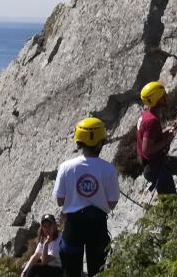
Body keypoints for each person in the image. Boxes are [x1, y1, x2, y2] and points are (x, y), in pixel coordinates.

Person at [54, 117, 119, 277]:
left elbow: (60, 200)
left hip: (74, 225)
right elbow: (112, 203)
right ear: (101, 142)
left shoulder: (66, 167)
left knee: (70, 272)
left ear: (79, 141)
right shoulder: (109, 169)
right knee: (98, 272)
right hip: (97, 225)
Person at [135, 81, 177, 195]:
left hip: (152, 166)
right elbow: (146, 150)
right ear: (157, 98)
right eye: (163, 95)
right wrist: (166, 140)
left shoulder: (146, 115)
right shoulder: (152, 121)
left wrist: (165, 131)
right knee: (171, 201)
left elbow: (148, 139)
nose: (166, 96)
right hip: (156, 167)